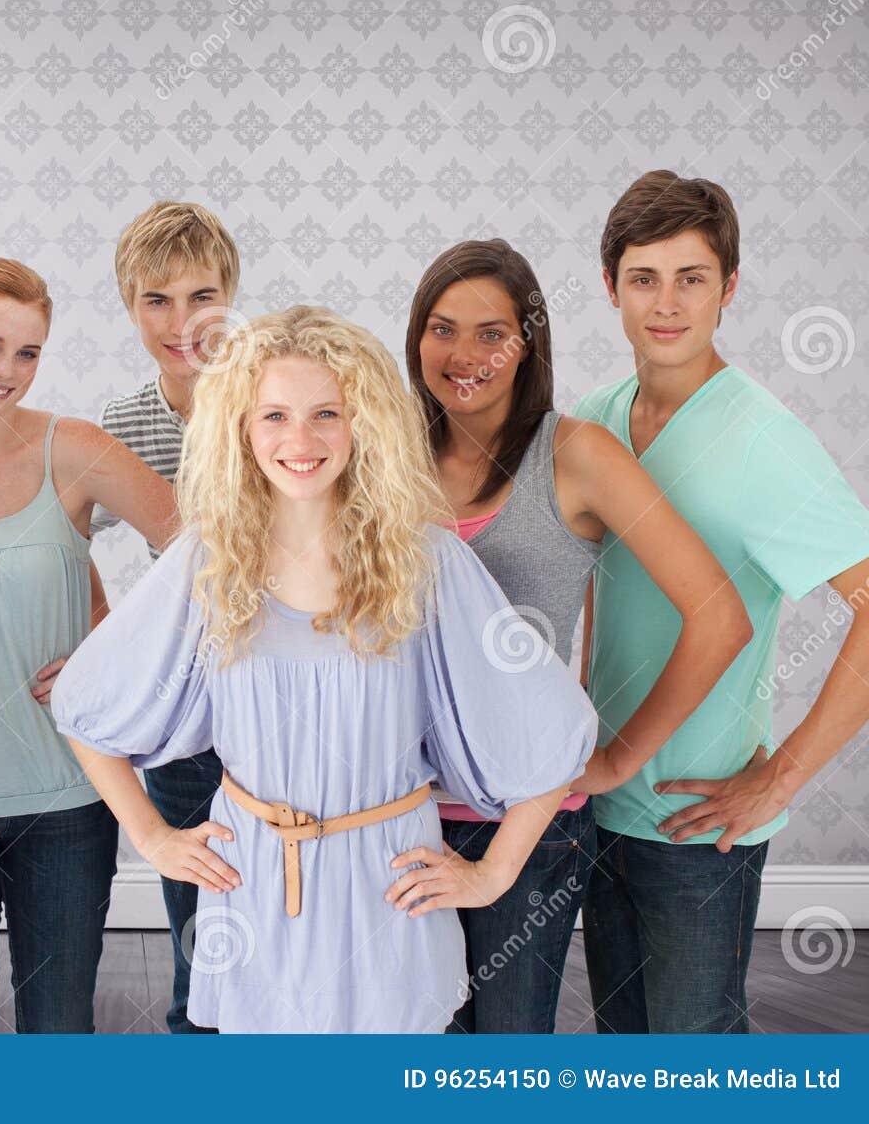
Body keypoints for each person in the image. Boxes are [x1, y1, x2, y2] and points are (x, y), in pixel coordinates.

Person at [51, 306, 596, 1032]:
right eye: (273, 414)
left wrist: (492, 871)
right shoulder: (209, 563)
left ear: (361, 423)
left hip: (388, 882)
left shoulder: (425, 562)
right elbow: (86, 707)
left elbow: (555, 729)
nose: (299, 440)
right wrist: (150, 836)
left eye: (326, 413)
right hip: (253, 884)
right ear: (242, 430)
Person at [404, 239, 749, 1033]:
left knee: (505, 1057)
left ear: (529, 343)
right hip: (398, 808)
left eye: (493, 332)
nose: (464, 354)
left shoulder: (577, 455)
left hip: (526, 819)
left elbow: (719, 613)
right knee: (410, 1044)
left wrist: (618, 757)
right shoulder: (386, 456)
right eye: (442, 328)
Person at [574, 170, 869, 1033]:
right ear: (611, 288)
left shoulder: (768, 442)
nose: (666, 304)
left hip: (702, 829)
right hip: (602, 804)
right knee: (624, 1049)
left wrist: (779, 776)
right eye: (643, 278)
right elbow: (604, 596)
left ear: (728, 287)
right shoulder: (598, 419)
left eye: (691, 277)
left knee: (699, 1064)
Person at [0, 258, 178, 1033]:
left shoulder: (73, 447)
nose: (7, 370)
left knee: (59, 1027)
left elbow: (205, 556)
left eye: (28, 353)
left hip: (67, 800)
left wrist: (117, 658)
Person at [88, 199, 241, 1033]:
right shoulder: (124, 424)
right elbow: (57, 531)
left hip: (286, 699)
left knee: (288, 912)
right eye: (157, 300)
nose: (181, 323)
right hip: (186, 716)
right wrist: (99, 638)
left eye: (201, 296)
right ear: (129, 306)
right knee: (199, 927)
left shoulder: (274, 403)